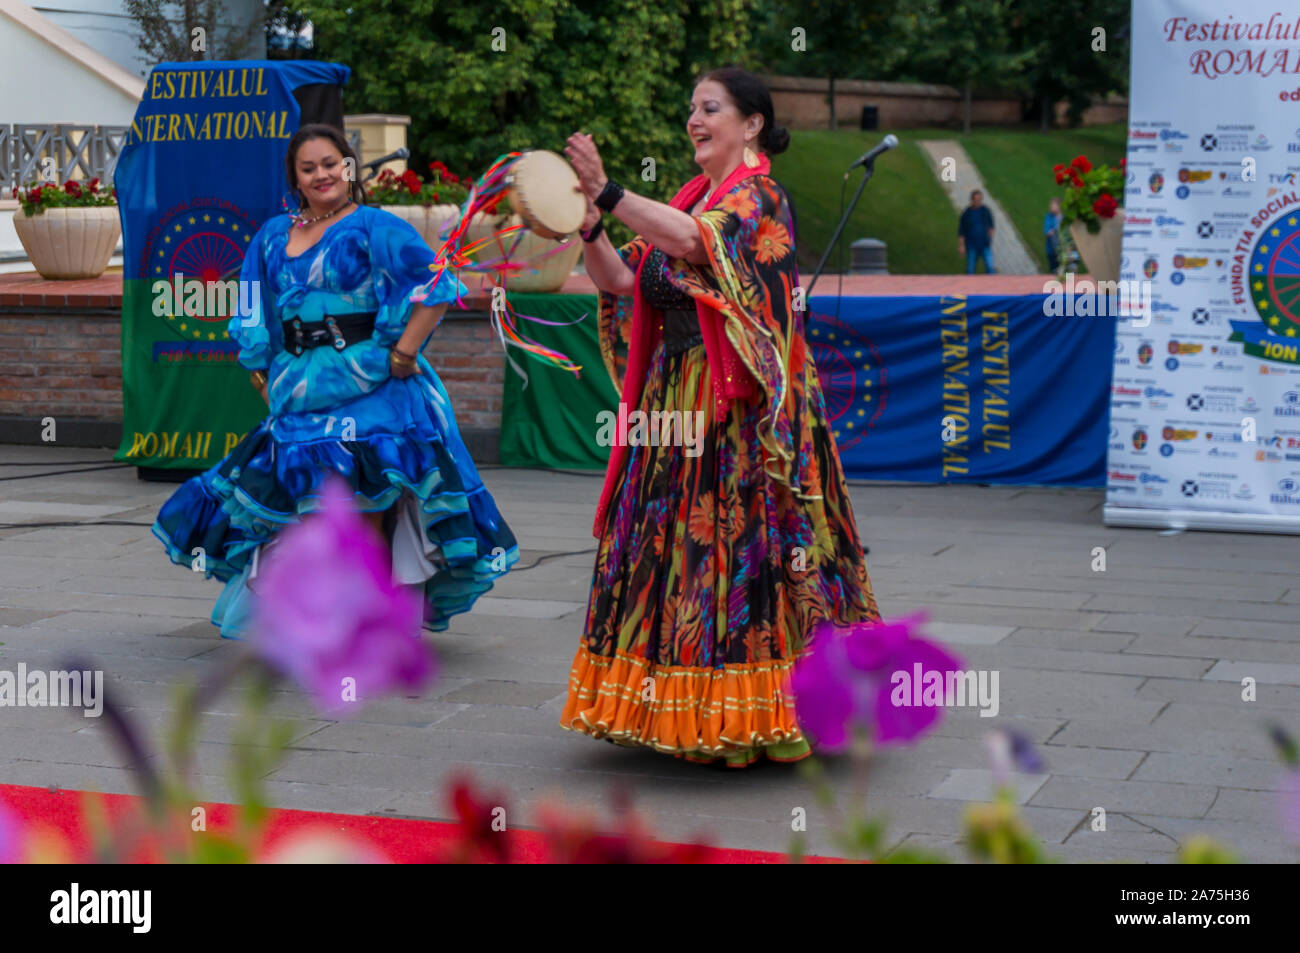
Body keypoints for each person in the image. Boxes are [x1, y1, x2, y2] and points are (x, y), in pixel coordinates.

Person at [559, 67, 881, 767]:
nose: (693, 121)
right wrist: (591, 222)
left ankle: (750, 713)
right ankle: (669, 705)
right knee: (672, 552)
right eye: (691, 110)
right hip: (673, 402)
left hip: (736, 412)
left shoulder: (758, 195)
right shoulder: (691, 196)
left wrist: (611, 192)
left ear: (753, 122)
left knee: (734, 552)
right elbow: (620, 279)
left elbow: (697, 243)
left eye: (709, 108)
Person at [152, 123, 519, 638]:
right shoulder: (272, 236)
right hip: (299, 392)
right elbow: (252, 303)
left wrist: (403, 354)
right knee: (311, 512)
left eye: (332, 163)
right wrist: (259, 368)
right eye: (309, 168)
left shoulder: (375, 226)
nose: (322, 174)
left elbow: (438, 286)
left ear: (348, 168)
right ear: (296, 180)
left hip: (372, 389)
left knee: (362, 506)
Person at [958, 189, 995, 274]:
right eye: (976, 200)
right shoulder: (966, 213)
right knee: (970, 270)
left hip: (985, 245)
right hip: (971, 246)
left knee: (990, 268)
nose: (978, 202)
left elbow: (991, 227)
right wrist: (961, 246)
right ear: (972, 200)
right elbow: (961, 231)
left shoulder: (985, 211)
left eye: (980, 200)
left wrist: (990, 238)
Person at [1044, 196, 1063, 273]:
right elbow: (1046, 231)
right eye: (1051, 205)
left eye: (1053, 205)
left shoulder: (1063, 219)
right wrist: (1052, 232)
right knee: (1053, 270)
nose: (1051, 207)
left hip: (1062, 250)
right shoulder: (1049, 217)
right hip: (1051, 250)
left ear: (1059, 207)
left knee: (1062, 269)